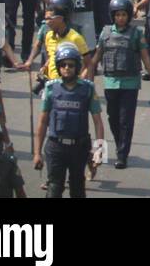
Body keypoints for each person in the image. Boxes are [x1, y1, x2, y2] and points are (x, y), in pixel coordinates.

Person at [88, 0, 150, 170]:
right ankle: (120, 145)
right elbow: (96, 57)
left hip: (130, 84)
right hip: (110, 82)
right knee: (113, 118)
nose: (121, 18)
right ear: (113, 16)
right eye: (117, 15)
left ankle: (122, 154)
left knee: (126, 120)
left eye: (124, 15)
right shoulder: (105, 33)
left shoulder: (136, 34)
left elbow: (146, 58)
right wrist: (89, 80)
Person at [33, 42, 105, 198]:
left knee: (78, 188)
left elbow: (98, 122)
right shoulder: (51, 88)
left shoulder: (88, 88)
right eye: (63, 65)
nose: (67, 68)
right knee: (54, 187)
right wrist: (37, 153)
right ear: (58, 67)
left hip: (79, 147)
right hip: (55, 146)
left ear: (77, 67)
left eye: (71, 65)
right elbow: (43, 122)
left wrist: (100, 151)